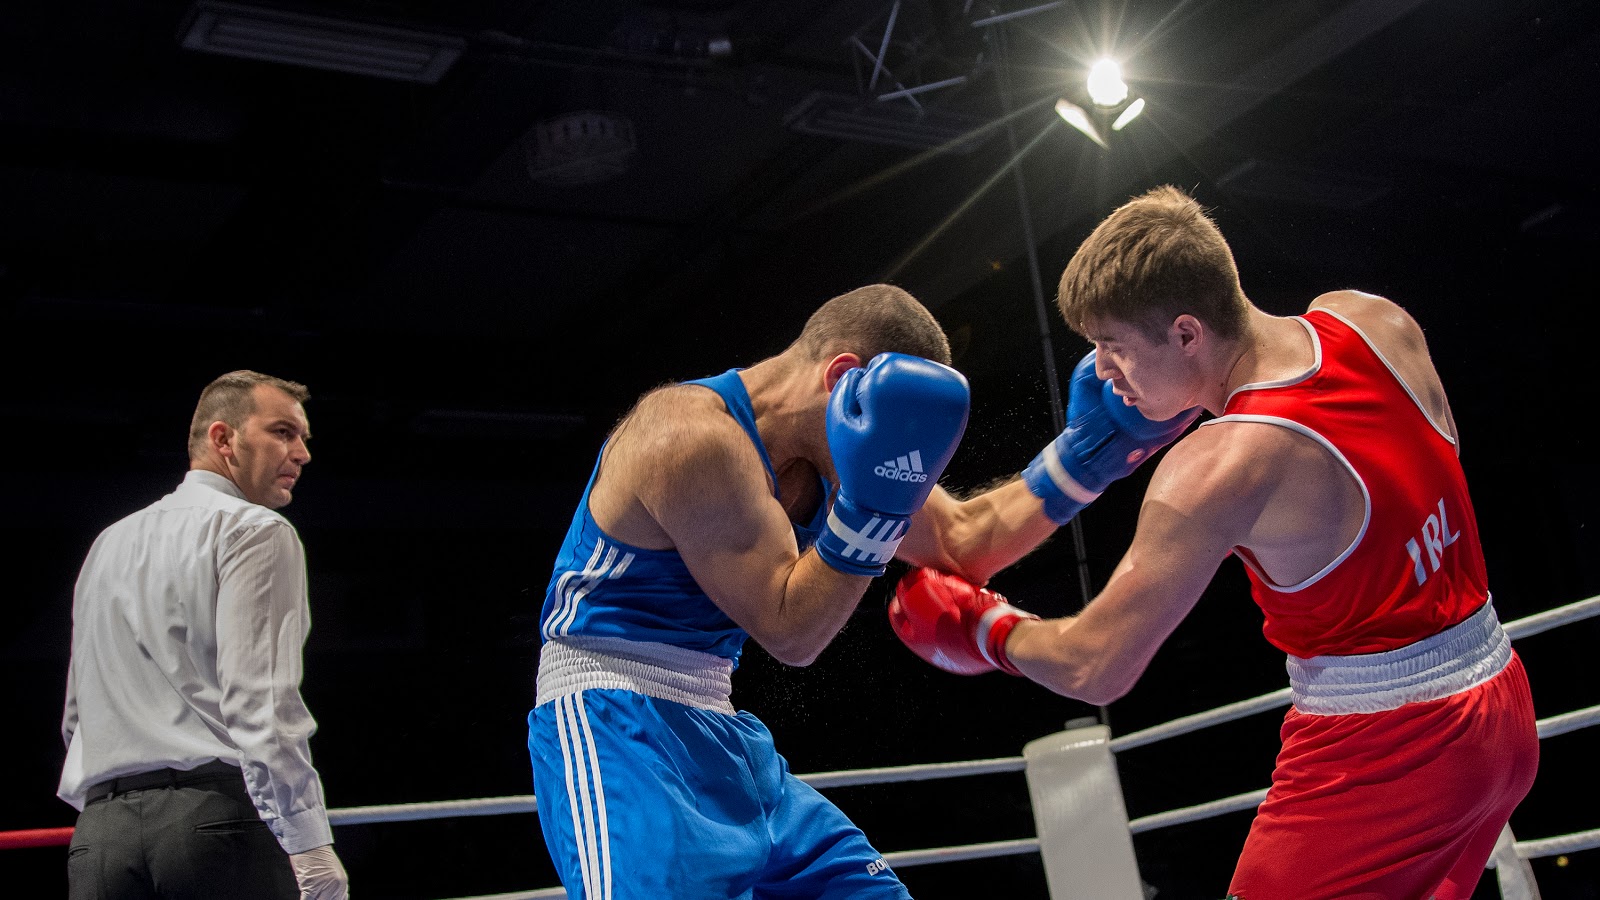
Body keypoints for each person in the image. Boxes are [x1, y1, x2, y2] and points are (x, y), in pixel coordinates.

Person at [888, 184, 1539, 899]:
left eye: (1113, 346)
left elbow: (1095, 665)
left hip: (1385, 749)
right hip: (1501, 706)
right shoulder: (1371, 319)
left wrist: (985, 629)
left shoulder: (1217, 467)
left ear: (1187, 334)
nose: (1101, 371)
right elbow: (1422, 480)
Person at [527, 283, 971, 899]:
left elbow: (966, 539)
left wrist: (1089, 451)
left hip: (723, 724)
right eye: (896, 429)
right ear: (843, 379)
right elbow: (792, 633)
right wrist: (875, 512)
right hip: (618, 721)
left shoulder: (828, 463)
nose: (895, 452)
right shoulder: (690, 434)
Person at [58, 369, 349, 900]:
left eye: (303, 437)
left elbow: (77, 714)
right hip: (213, 824)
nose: (303, 453)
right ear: (223, 438)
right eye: (283, 432)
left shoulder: (108, 542)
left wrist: (122, 814)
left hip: (100, 839)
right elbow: (260, 703)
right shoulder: (254, 530)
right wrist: (308, 841)